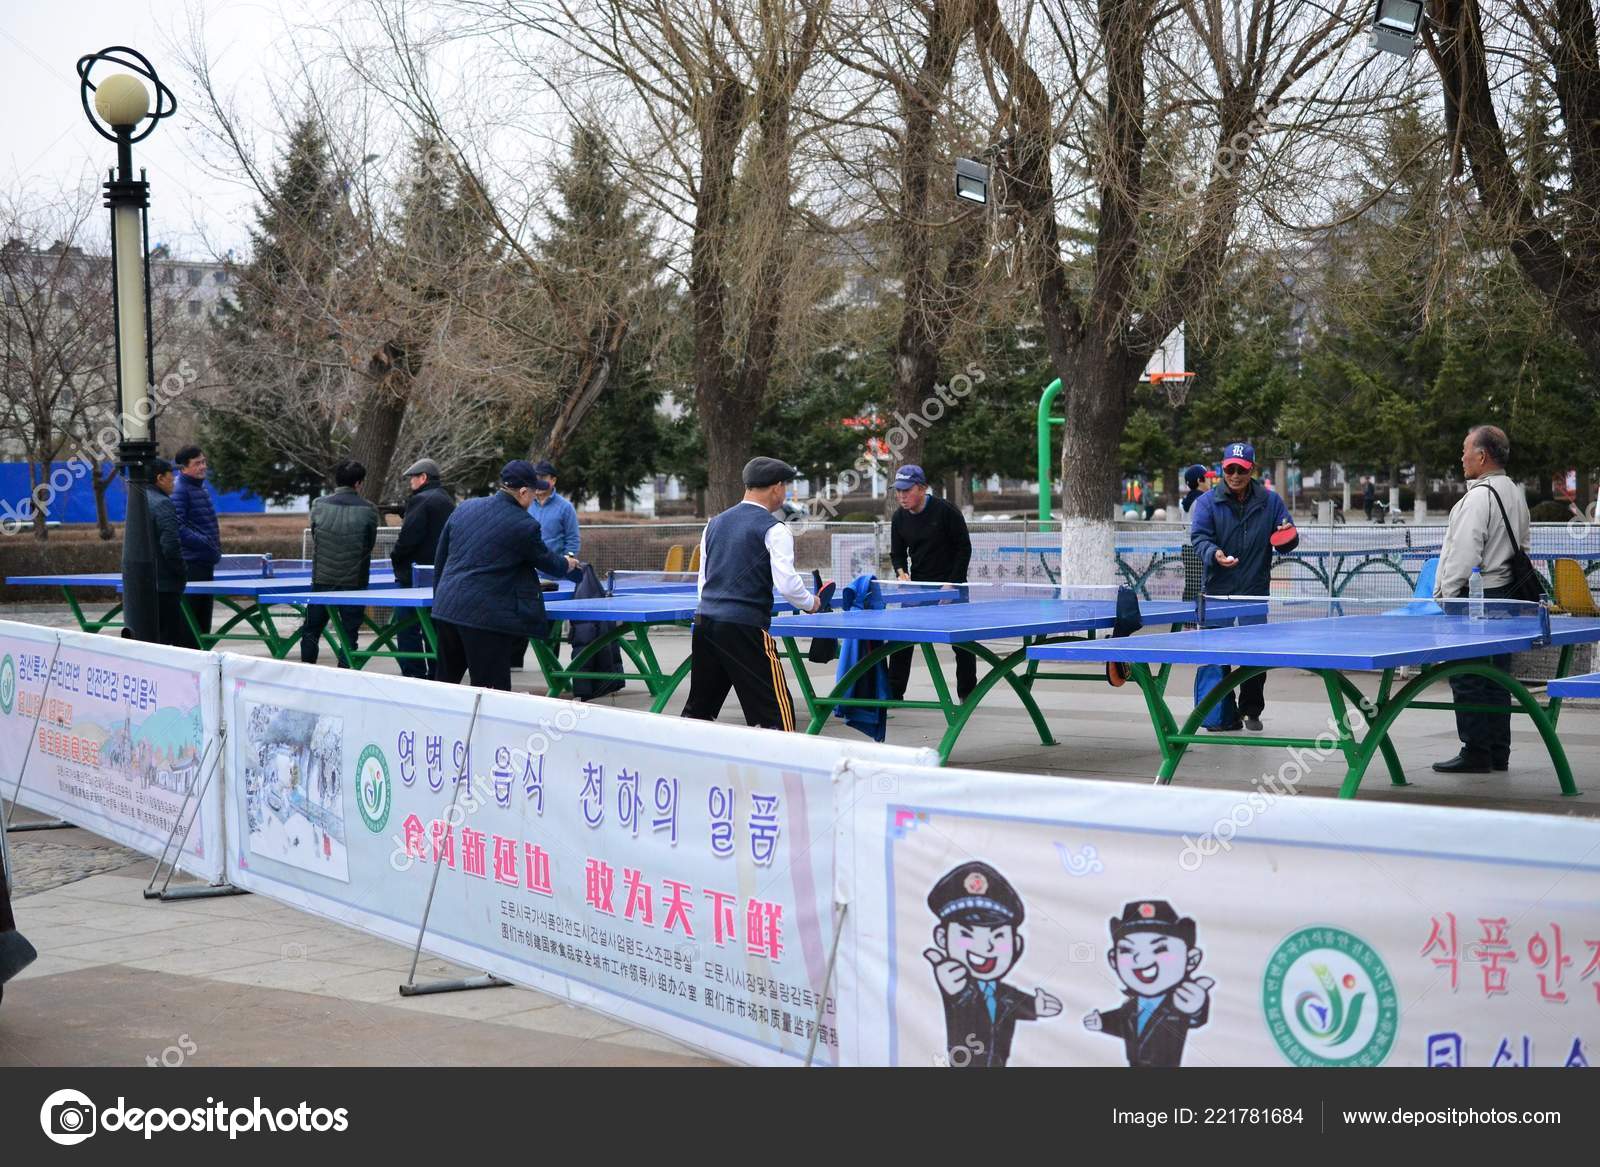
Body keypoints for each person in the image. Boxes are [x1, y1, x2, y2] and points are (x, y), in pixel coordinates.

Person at [681, 457, 821, 730]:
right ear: (777, 487)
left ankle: (682, 753)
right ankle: (784, 757)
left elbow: (703, 580)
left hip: (705, 621)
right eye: (785, 486)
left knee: (699, 710)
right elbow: (788, 585)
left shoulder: (713, 524)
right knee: (776, 716)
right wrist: (811, 603)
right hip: (745, 626)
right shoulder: (775, 529)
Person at [1431, 425, 1531, 774]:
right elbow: (1524, 546)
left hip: (1476, 599)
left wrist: (1448, 595)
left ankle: (1475, 751)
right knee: (1498, 677)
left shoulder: (1477, 498)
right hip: (1507, 597)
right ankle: (1498, 751)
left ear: (1482, 456)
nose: (1461, 457)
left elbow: (1464, 552)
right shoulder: (1515, 493)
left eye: (1465, 450)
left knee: (1467, 676)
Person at [432, 461, 579, 690]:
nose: (534, 497)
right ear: (523, 492)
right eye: (533, 492)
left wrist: (439, 598)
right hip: (486, 617)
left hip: (447, 609)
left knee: (444, 685)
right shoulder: (524, 524)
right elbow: (547, 561)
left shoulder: (465, 507)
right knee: (491, 690)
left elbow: (441, 558)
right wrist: (567, 564)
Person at [1188, 441, 1294, 732]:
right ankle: (1221, 714)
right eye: (1230, 469)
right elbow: (1199, 538)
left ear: (1252, 470)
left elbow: (1286, 542)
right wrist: (1214, 554)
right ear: (1223, 469)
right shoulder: (1207, 502)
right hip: (1217, 591)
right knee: (1216, 655)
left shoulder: (1271, 502)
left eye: (1241, 470)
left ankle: (1251, 710)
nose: (1235, 475)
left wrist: (1287, 536)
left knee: (1254, 654)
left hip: (1253, 590)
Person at [888, 464, 975, 701]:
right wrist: (902, 575)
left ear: (922, 488)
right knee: (900, 640)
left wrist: (952, 584)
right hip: (918, 589)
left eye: (907, 490)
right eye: (898, 491)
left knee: (963, 644)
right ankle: (893, 693)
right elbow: (897, 554)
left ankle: (968, 694)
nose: (902, 496)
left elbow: (963, 549)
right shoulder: (899, 517)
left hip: (952, 587)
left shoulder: (946, 511)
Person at [301, 460, 379, 667]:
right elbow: (369, 544)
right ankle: (344, 674)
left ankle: (306, 670)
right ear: (359, 483)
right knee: (349, 633)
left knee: (311, 629)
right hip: (354, 581)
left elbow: (316, 535)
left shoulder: (318, 505)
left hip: (322, 578)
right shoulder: (369, 509)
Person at [390, 458, 455, 679]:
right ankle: (437, 672)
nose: (411, 483)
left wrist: (395, 556)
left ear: (423, 477)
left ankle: (413, 673)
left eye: (413, 478)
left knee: (407, 626)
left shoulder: (420, 500)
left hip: (413, 576)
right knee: (434, 627)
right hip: (440, 574)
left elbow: (408, 538)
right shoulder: (446, 499)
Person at [170, 445, 221, 649]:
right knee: (191, 622)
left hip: (204, 562)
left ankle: (201, 657)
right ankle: (189, 658)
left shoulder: (199, 487)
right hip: (191, 564)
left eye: (204, 462)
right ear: (183, 468)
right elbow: (177, 526)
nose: (203, 466)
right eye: (197, 463)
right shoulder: (180, 490)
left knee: (203, 620)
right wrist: (205, 543)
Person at [147, 458, 189, 647]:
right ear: (160, 478)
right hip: (164, 583)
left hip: (144, 582)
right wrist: (182, 571)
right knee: (171, 637)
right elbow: (170, 546)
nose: (174, 481)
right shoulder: (163, 503)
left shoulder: (140, 499)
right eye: (171, 477)